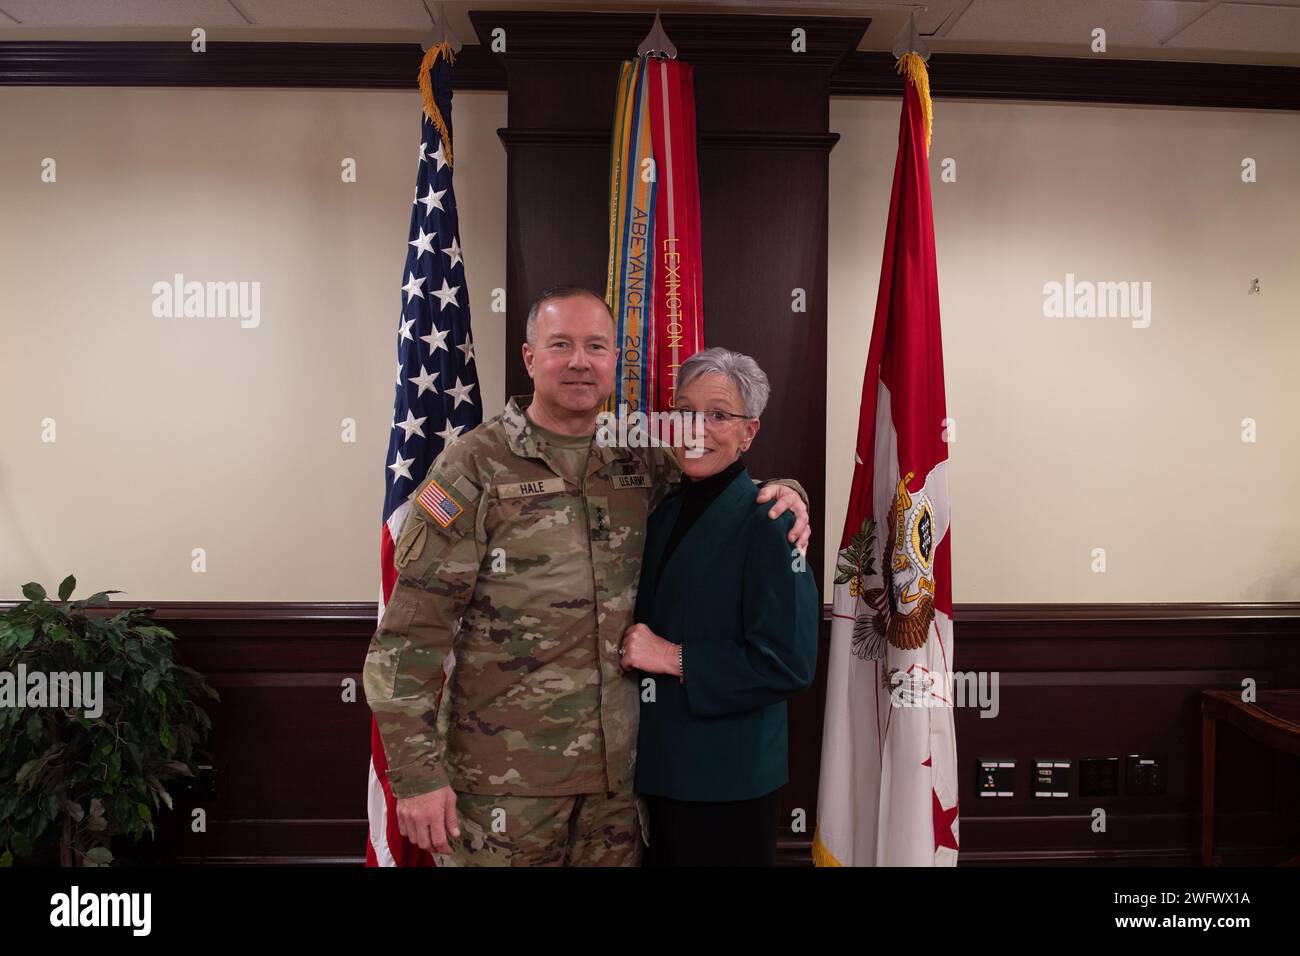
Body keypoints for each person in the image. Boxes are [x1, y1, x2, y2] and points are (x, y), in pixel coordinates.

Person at [362, 287, 811, 866]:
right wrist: (417, 775)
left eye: (595, 346)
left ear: (613, 363)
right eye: (561, 345)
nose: (579, 361)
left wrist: (787, 497)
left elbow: (719, 474)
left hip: (616, 791)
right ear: (530, 358)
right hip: (504, 787)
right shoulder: (473, 468)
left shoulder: (639, 454)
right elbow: (408, 639)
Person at [619, 347, 819, 866]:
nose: (696, 427)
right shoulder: (663, 509)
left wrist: (673, 657)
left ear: (748, 432)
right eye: (684, 411)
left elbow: (789, 663)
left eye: (718, 415)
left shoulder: (772, 520)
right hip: (657, 774)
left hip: (727, 783)